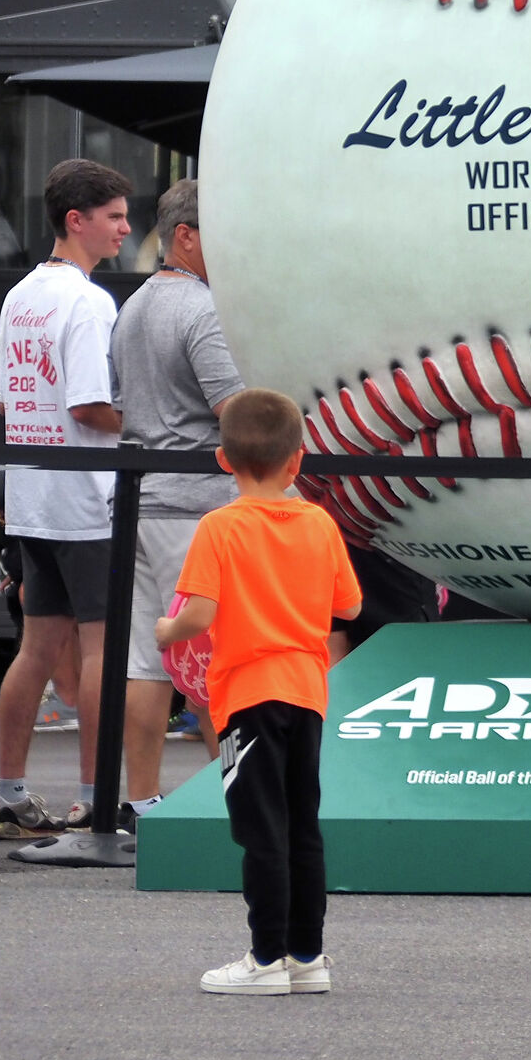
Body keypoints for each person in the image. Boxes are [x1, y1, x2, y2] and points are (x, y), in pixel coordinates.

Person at [155, 389, 361, 995]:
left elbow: (198, 614)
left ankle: (266, 958)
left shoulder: (219, 527)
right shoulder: (320, 523)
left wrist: (166, 630)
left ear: (224, 459)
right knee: (302, 825)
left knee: (259, 828)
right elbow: (349, 606)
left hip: (247, 694)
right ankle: (307, 956)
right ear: (297, 461)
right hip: (306, 690)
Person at [0, 160, 132, 838]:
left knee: (36, 649)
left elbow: (4, 396)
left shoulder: (21, 294)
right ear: (77, 220)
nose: (125, 229)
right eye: (114, 217)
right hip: (85, 502)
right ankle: (95, 798)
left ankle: (7, 795)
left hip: (32, 495)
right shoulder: (90, 302)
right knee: (101, 651)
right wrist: (149, 427)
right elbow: (91, 405)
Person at [112, 180, 243, 822]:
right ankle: (238, 803)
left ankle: (141, 800)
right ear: (184, 236)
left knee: (147, 663)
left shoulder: (133, 306)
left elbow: (118, 407)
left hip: (139, 502)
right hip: (195, 511)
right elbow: (237, 413)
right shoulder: (203, 309)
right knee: (216, 659)